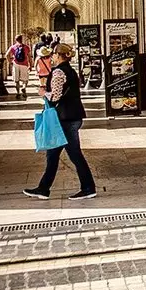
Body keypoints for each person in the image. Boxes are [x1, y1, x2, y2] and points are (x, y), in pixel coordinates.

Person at [24, 43, 96, 200]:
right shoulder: (70, 70)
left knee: (74, 154)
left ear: (58, 55)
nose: (52, 58)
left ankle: (88, 188)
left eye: (54, 55)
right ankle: (43, 188)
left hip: (65, 119)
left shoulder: (58, 72)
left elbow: (55, 96)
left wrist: (43, 92)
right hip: (71, 116)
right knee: (53, 154)